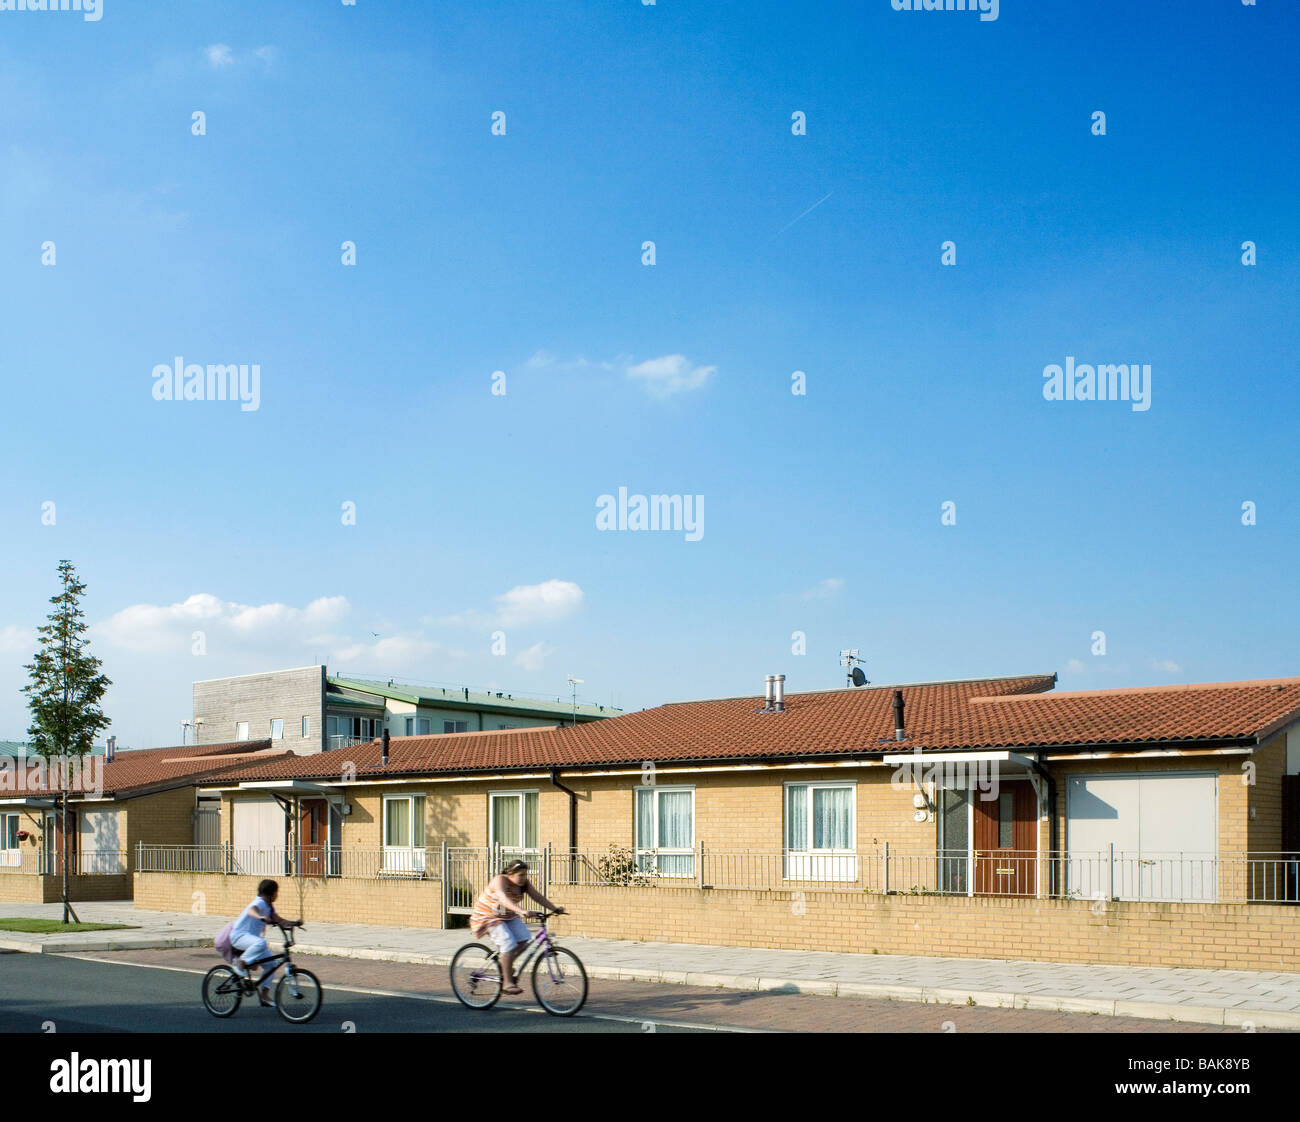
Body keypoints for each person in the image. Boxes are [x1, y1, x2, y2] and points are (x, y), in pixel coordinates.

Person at [470, 860, 565, 994]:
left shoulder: (523, 884)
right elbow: (503, 898)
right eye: (520, 875)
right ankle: (507, 983)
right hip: (487, 917)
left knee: (523, 938)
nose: (523, 878)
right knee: (508, 942)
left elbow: (537, 897)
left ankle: (505, 965)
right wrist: (521, 911)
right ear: (510, 874)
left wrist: (554, 909)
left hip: (507, 917)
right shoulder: (500, 880)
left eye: (525, 875)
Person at [229, 878, 298, 1007]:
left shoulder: (269, 906)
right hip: (239, 936)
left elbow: (278, 919)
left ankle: (264, 995)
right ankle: (241, 963)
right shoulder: (259, 902)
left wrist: (293, 923)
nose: (277, 895)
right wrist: (260, 917)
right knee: (261, 943)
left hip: (251, 939)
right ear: (270, 894)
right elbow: (252, 910)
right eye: (276, 892)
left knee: (271, 965)